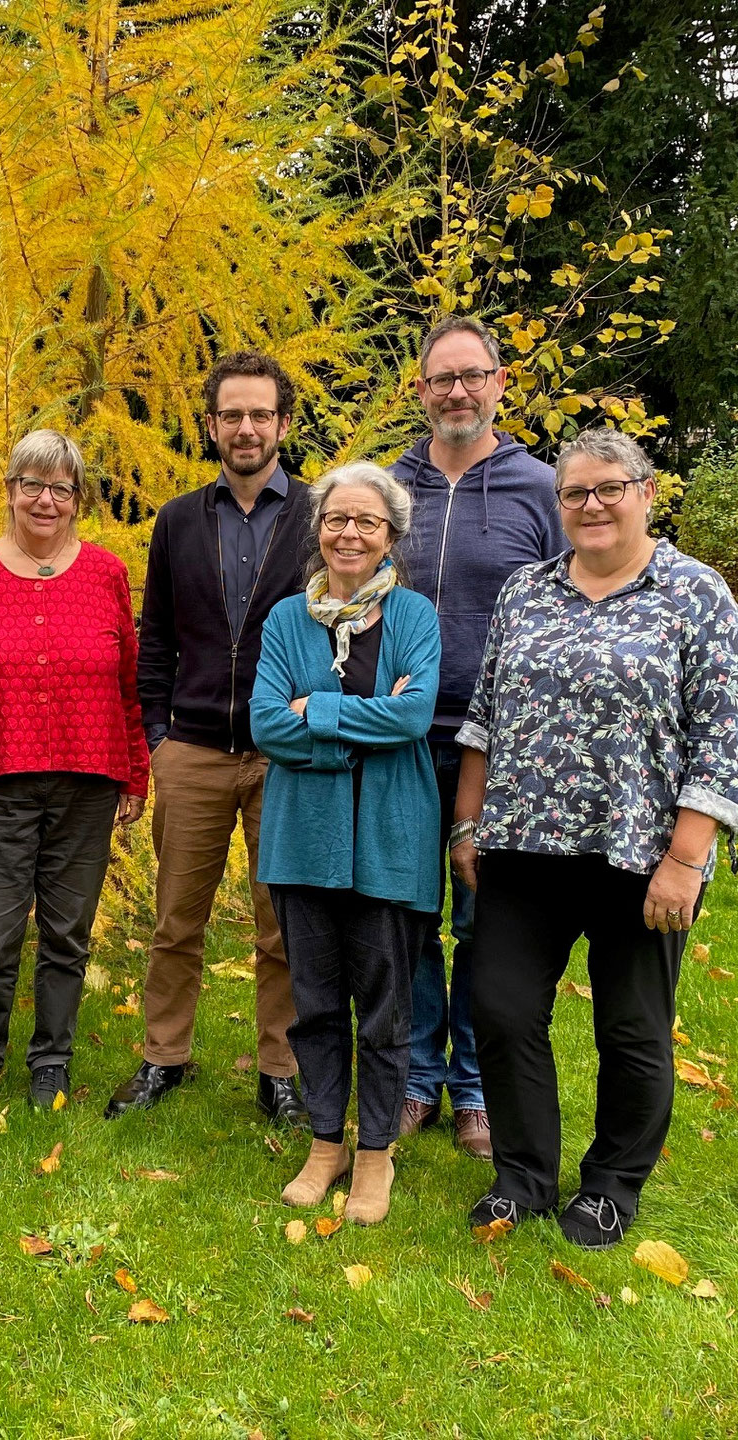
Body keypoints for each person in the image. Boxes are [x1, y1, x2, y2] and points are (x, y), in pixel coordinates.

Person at [450, 428, 738, 1249]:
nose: (591, 505)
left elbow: (728, 738)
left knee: (631, 1027)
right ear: (558, 504)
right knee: (502, 1010)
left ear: (646, 493)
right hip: (522, 847)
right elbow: (485, 715)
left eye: (609, 488)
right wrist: (468, 825)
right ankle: (521, 1177)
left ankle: (612, 1185)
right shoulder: (527, 590)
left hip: (641, 853)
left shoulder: (696, 594)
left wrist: (686, 860)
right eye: (575, 492)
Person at [105, 352, 314, 1126]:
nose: (246, 428)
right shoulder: (179, 520)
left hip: (285, 751)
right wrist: (157, 735)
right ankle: (165, 1056)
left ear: (283, 424)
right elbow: (155, 634)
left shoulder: (318, 515)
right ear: (212, 425)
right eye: (232, 415)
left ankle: (281, 1070)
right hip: (191, 748)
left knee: (282, 923)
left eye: (260, 414)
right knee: (176, 920)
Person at [391, 315, 565, 1160]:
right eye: (441, 379)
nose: (456, 392)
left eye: (472, 376)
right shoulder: (392, 487)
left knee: (483, 921)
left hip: (499, 745)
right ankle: (414, 1076)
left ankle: (475, 1088)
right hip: (398, 736)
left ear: (499, 382)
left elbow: (573, 604)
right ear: (421, 390)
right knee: (405, 916)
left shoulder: (543, 490)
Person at [250, 461, 442, 1226]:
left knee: (386, 1012)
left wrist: (316, 711)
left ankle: (375, 1155)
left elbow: (414, 717)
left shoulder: (415, 616)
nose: (350, 533)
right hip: (304, 839)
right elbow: (268, 725)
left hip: (391, 839)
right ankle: (326, 1142)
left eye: (367, 521)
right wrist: (359, 727)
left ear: (391, 535)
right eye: (337, 519)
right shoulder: (285, 620)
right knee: (317, 1005)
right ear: (319, 529)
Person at [0, 430, 149, 1112]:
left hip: (89, 777)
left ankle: (51, 1060)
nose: (45, 500)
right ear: (9, 490)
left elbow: (128, 684)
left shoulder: (106, 573)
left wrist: (136, 773)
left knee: (66, 932)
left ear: (77, 499)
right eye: (32, 484)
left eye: (61, 488)